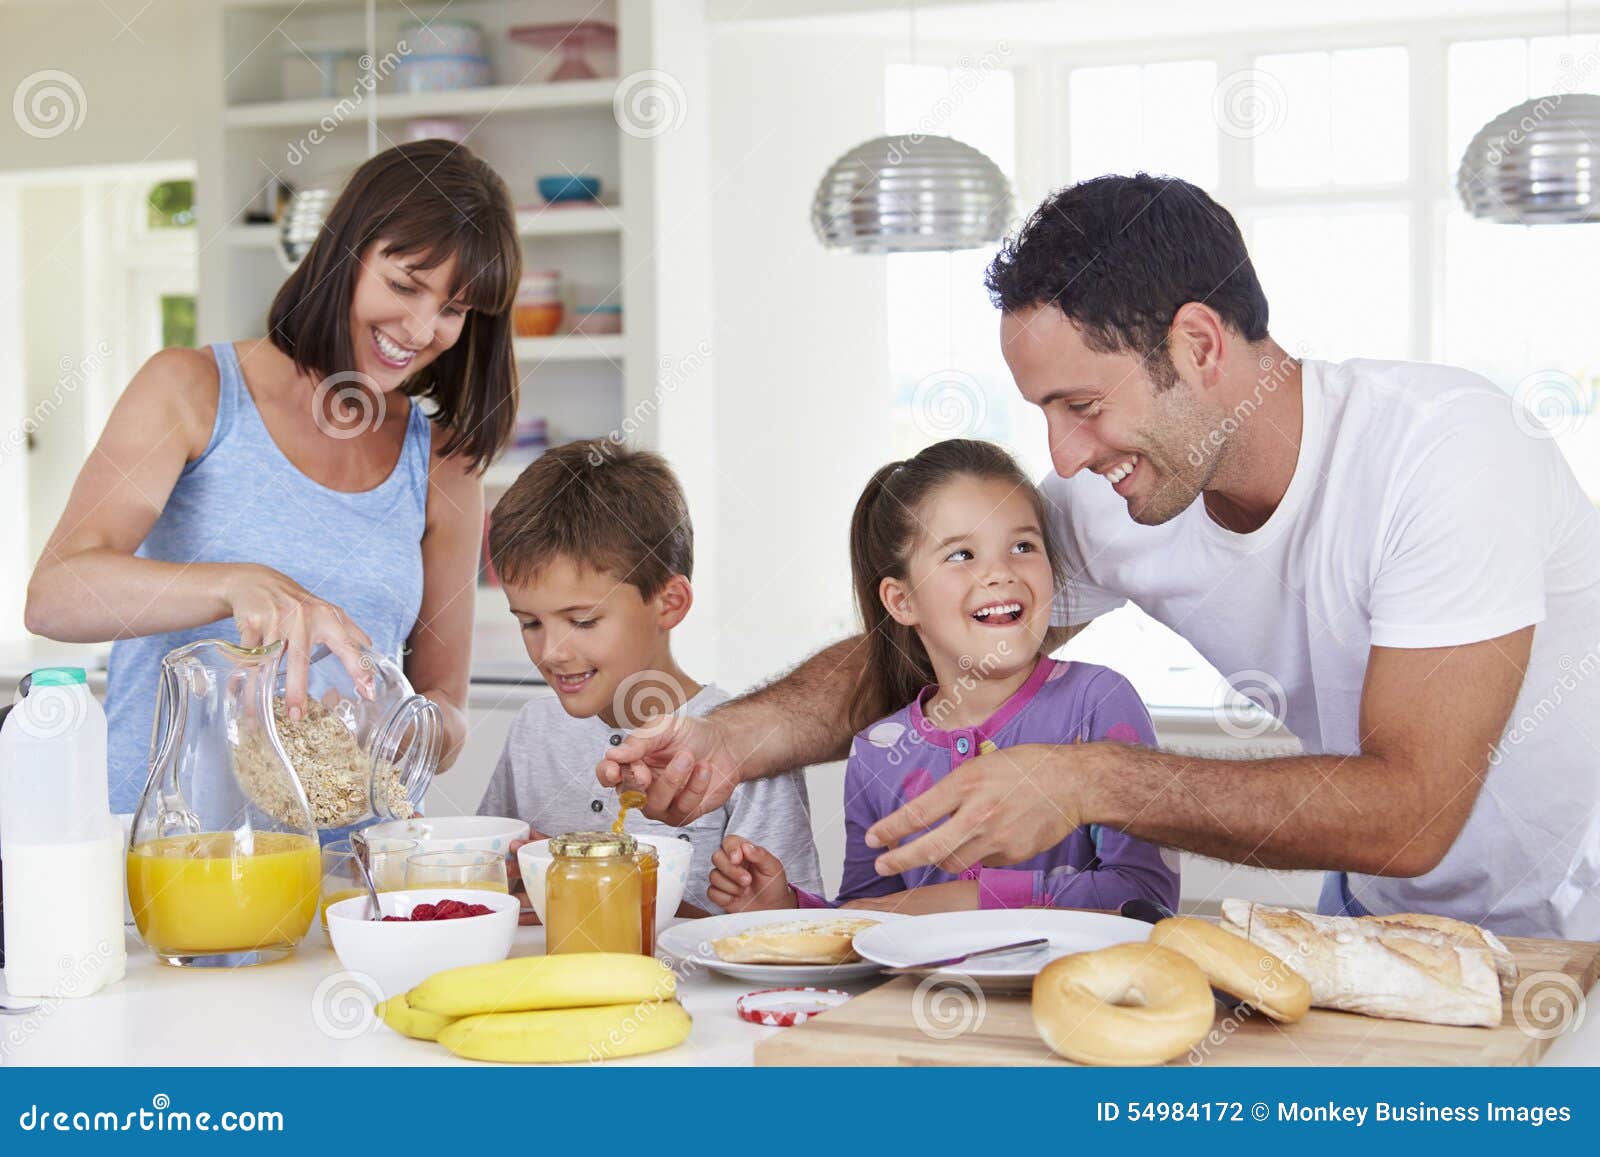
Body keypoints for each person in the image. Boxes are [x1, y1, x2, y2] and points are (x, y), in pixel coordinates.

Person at [603, 174, 1600, 941]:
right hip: (1374, 907)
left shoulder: (1446, 455)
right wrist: (728, 738)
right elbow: (946, 633)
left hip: (1565, 915)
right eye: (1046, 413)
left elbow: (1411, 810)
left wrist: (1088, 779)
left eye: (1081, 404)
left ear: (1199, 345)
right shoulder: (1125, 485)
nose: (1064, 457)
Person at [25, 140, 520, 813]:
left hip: (347, 882)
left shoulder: (443, 464)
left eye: (454, 309)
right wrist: (236, 584)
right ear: (346, 253)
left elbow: (446, 708)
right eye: (404, 284)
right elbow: (55, 595)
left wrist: (396, 731)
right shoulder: (191, 390)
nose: (420, 327)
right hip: (170, 868)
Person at [708, 439, 1177, 916]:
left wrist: (969, 900)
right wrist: (788, 906)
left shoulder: (1098, 703)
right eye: (961, 555)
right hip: (922, 994)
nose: (999, 572)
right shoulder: (877, 752)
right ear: (902, 601)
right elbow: (869, 916)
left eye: (1022, 545)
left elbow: (1144, 896)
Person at [477, 438, 822, 922]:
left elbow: (796, 934)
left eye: (583, 621)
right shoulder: (533, 732)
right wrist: (513, 881)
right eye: (530, 623)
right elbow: (487, 888)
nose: (551, 651)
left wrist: (610, 895)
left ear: (669, 603)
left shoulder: (746, 744)